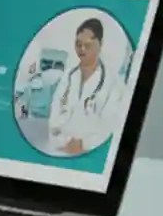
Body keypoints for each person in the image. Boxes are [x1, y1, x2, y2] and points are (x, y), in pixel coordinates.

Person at [48, 18, 124, 156]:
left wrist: (84, 144)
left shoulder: (113, 82)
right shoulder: (68, 76)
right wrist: (62, 141)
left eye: (88, 45)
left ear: (100, 44)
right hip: (61, 149)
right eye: (78, 44)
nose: (82, 49)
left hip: (92, 154)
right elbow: (55, 113)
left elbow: (110, 125)